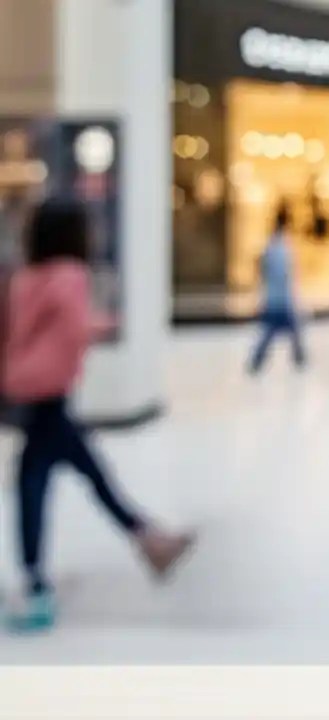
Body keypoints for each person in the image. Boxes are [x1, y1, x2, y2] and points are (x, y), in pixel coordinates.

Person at [2, 199, 193, 632]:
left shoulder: (25, 277)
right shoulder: (72, 276)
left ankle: (147, 540)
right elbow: (74, 328)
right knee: (52, 479)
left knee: (56, 475)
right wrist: (100, 326)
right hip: (50, 391)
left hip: (25, 386)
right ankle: (41, 582)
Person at [248, 206, 306, 374]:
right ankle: (299, 360)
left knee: (279, 332)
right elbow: (282, 274)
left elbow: (263, 269)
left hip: (275, 297)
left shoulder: (272, 245)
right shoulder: (281, 246)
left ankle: (298, 359)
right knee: (284, 330)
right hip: (280, 299)